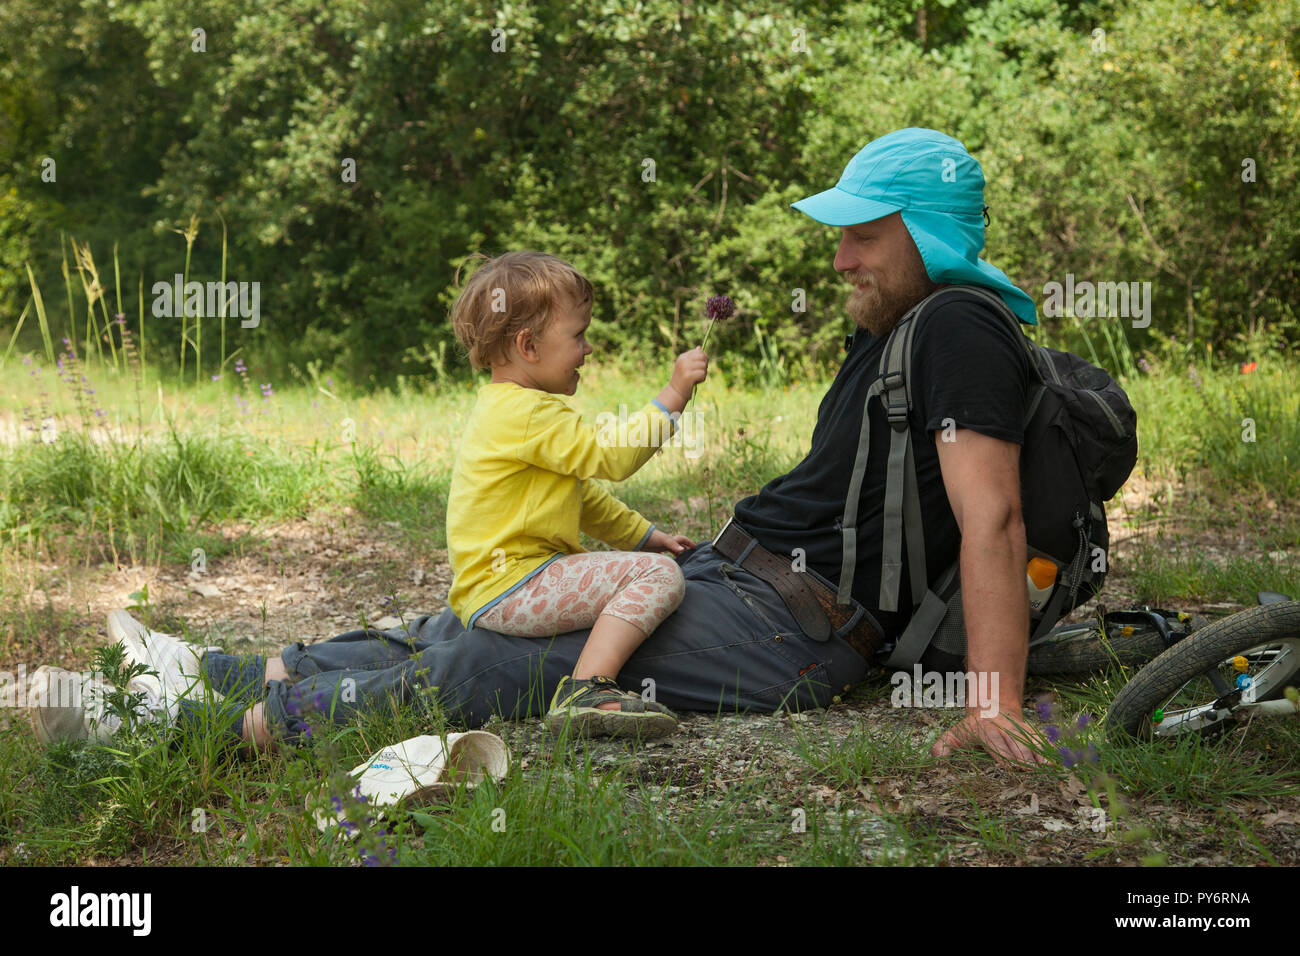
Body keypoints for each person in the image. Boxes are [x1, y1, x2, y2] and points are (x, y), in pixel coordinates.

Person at [29, 128, 1048, 766]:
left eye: (861, 233)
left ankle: (197, 731)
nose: (839, 255)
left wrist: (995, 700)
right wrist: (662, 544)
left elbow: (990, 514)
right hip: (743, 583)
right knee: (469, 616)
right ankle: (213, 668)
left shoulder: (957, 326)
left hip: (792, 628)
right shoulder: (898, 332)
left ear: (923, 229)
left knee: (489, 654)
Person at [444, 250, 708, 737]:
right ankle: (586, 688)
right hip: (513, 585)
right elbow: (611, 458)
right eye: (578, 335)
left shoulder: (511, 409)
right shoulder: (527, 412)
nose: (588, 349)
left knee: (650, 559)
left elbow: (581, 495)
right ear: (528, 346)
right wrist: (673, 396)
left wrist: (643, 534)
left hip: (494, 586)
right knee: (659, 577)